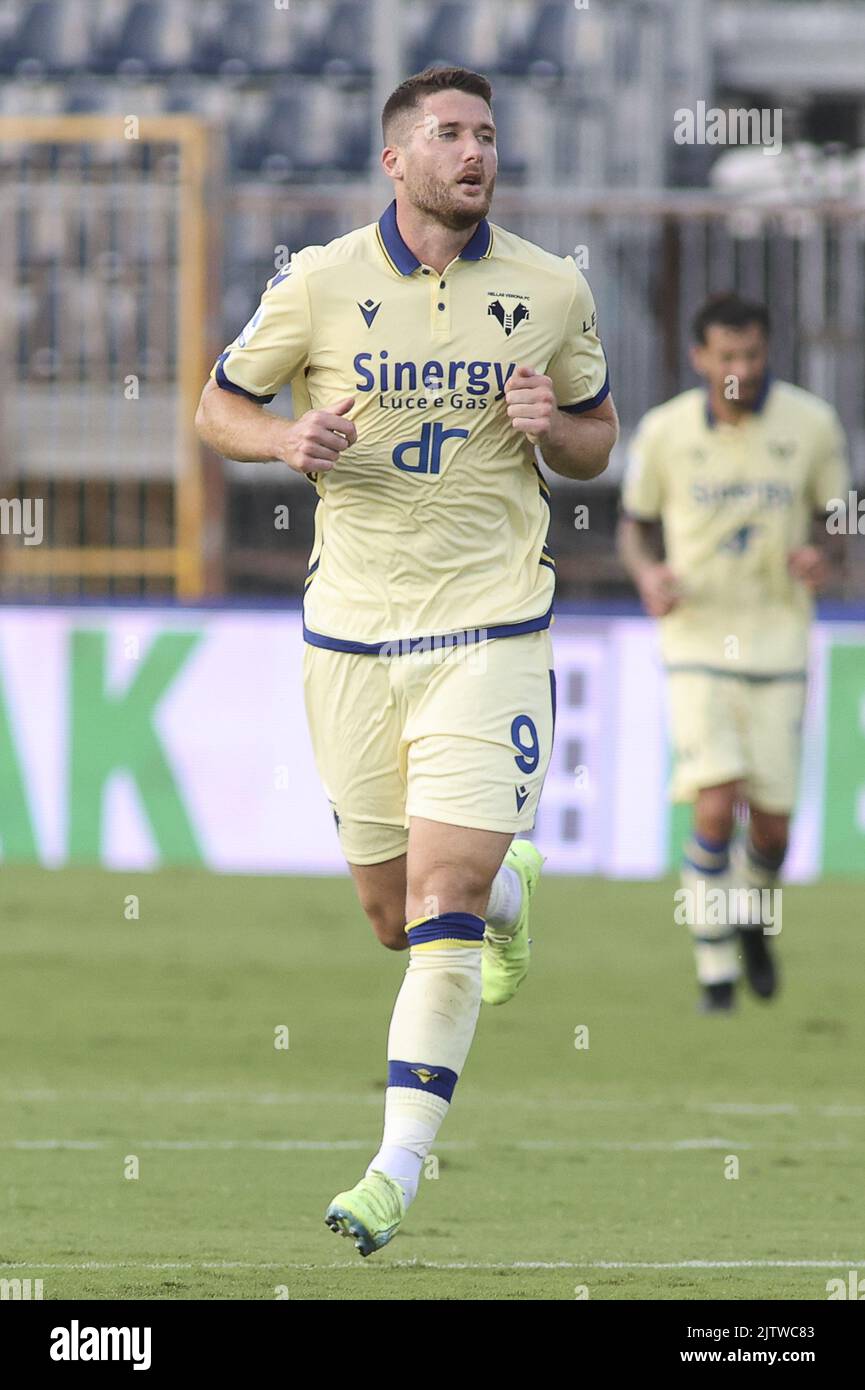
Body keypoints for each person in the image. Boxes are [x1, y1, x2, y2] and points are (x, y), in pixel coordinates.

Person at [195, 65, 617, 1254]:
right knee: (395, 918)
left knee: (442, 905)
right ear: (396, 160)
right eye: (449, 135)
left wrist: (560, 430)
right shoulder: (318, 283)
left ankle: (393, 1170)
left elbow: (597, 436)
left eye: (486, 134)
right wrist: (284, 436)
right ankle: (513, 893)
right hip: (351, 636)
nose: (474, 152)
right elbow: (214, 408)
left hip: (489, 628)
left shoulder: (549, 285)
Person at [618, 292, 847, 1012]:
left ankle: (752, 916)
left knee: (772, 824)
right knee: (714, 805)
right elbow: (633, 524)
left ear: (765, 353)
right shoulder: (663, 432)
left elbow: (836, 514)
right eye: (725, 356)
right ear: (699, 358)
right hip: (694, 637)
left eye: (750, 355)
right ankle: (713, 969)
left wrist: (825, 555)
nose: (738, 369)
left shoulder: (811, 424)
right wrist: (647, 573)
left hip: (778, 636)